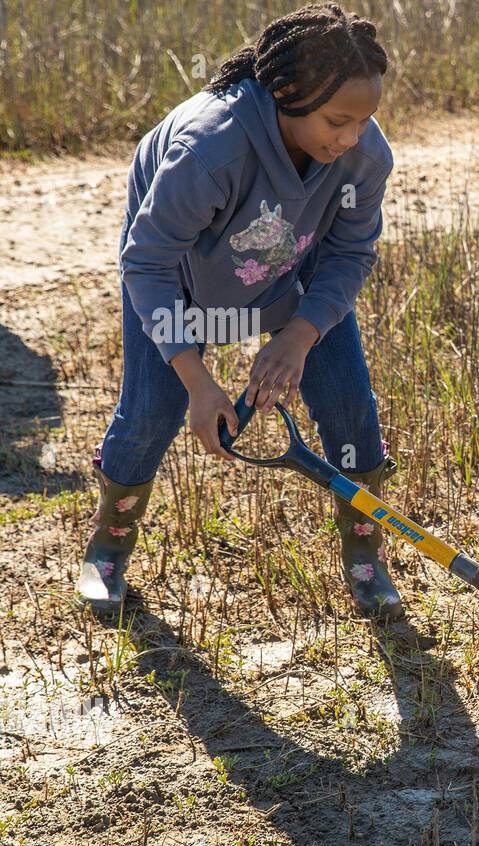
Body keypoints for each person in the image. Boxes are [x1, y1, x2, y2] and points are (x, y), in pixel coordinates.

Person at [78, 3, 402, 621]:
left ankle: (365, 555)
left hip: (292, 260)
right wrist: (198, 381)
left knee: (350, 407)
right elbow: (145, 263)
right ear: (287, 94)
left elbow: (350, 251)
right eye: (338, 121)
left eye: (364, 121)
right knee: (152, 410)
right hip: (175, 272)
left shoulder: (361, 158)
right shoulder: (210, 151)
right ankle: (110, 545)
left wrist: (301, 333)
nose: (352, 137)